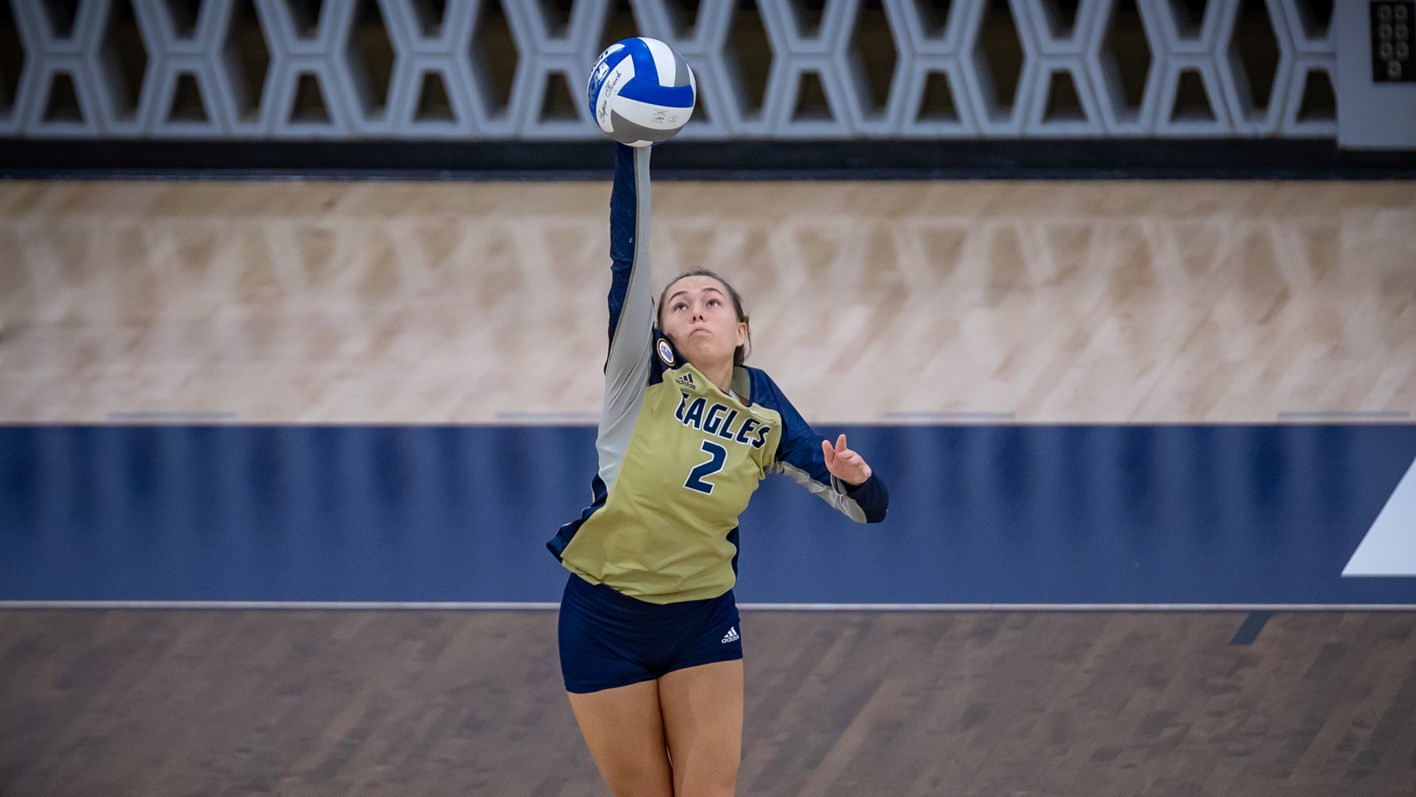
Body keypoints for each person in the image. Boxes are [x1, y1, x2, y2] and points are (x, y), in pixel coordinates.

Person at [547, 143, 890, 797]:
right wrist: (633, 144)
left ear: (741, 330)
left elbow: (869, 508)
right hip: (603, 622)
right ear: (661, 332)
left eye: (711, 301)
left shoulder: (765, 408)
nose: (695, 309)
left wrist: (855, 475)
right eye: (679, 304)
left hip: (701, 620)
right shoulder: (636, 378)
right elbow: (631, 261)